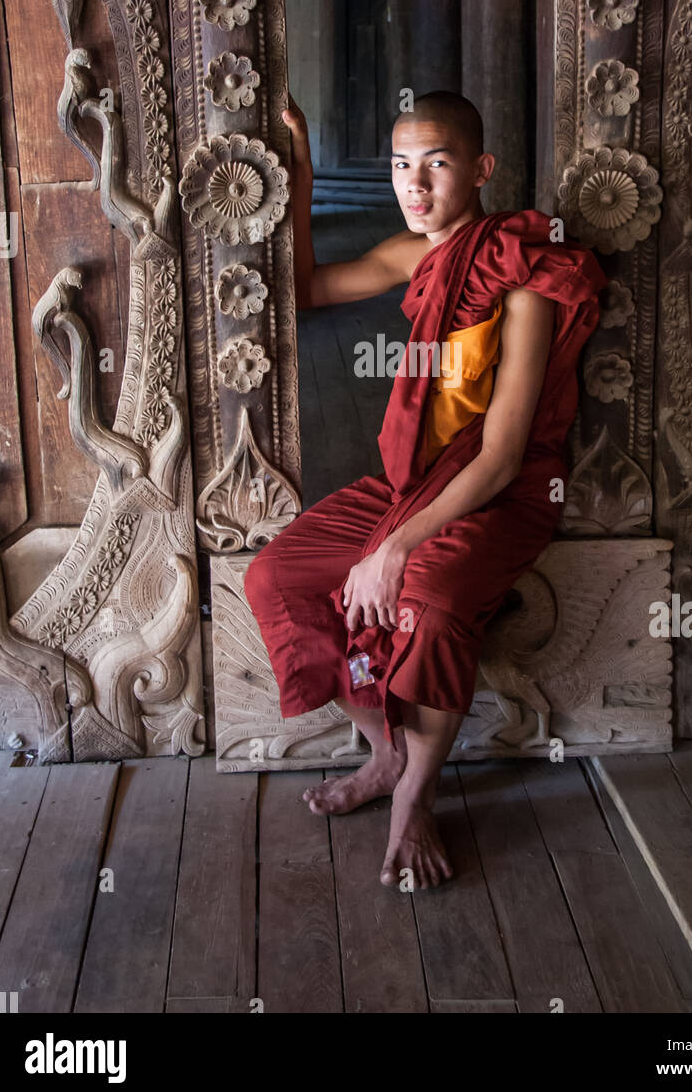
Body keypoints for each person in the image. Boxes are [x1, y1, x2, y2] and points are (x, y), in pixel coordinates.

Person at [244, 91, 605, 889]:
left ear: (480, 170)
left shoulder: (520, 273)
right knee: (275, 577)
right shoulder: (418, 256)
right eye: (402, 165)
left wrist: (395, 550)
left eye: (436, 164)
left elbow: (505, 454)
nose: (416, 184)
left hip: (502, 494)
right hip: (411, 484)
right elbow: (303, 290)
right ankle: (383, 754)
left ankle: (415, 796)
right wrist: (300, 173)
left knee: (431, 603)